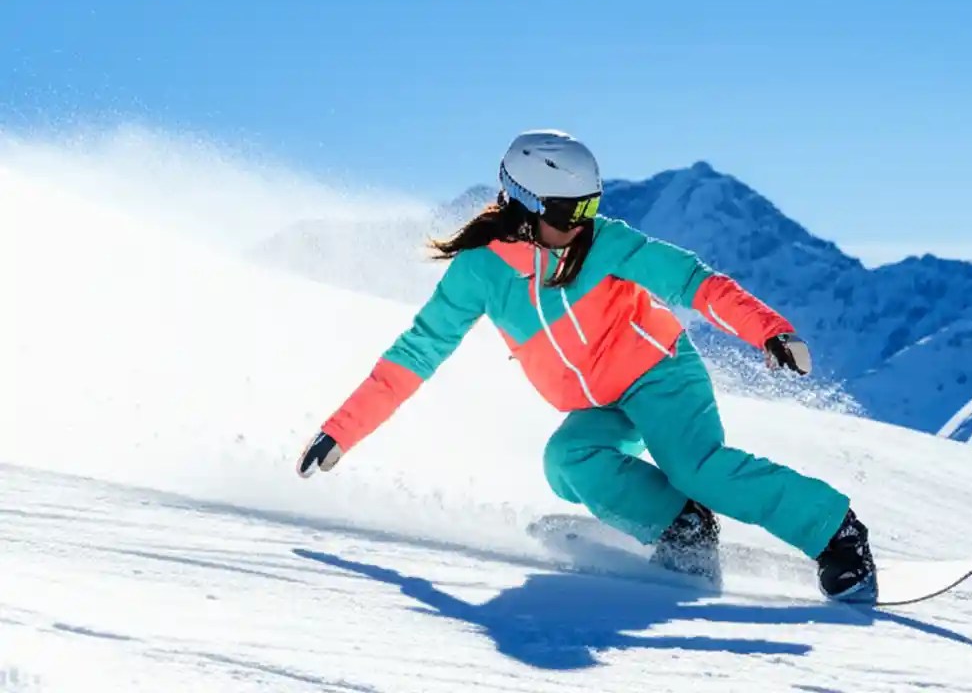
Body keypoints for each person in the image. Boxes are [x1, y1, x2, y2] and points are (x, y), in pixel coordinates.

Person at [296, 130, 877, 601]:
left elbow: (694, 282)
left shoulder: (603, 244)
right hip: (600, 403)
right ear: (522, 207)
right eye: (566, 212)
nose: (579, 225)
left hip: (660, 372)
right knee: (566, 460)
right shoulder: (479, 273)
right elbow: (416, 353)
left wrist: (768, 331)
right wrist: (343, 430)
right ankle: (684, 528)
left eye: (589, 209)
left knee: (694, 465)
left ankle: (835, 531)